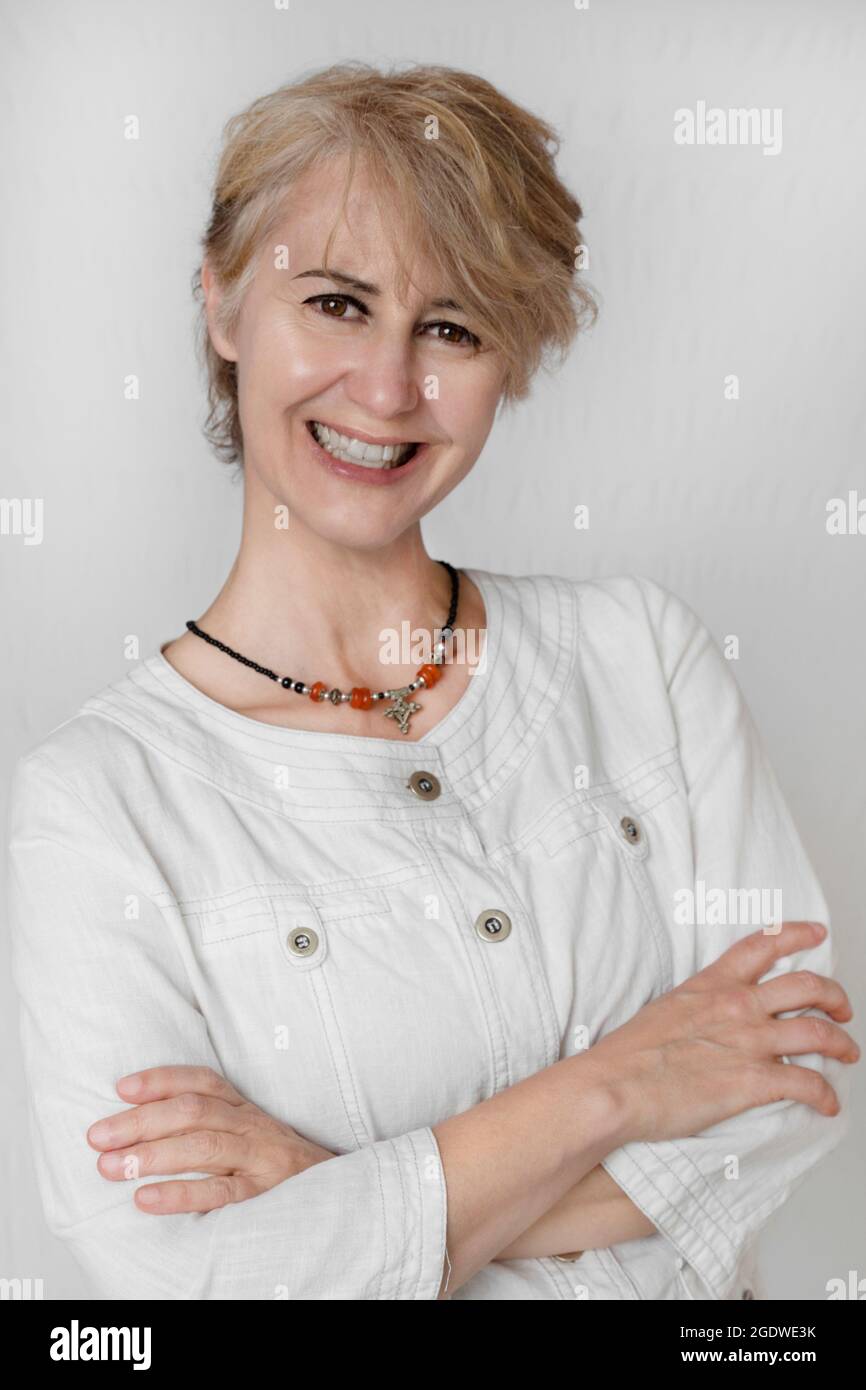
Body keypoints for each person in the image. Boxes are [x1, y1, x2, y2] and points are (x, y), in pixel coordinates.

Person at [6, 62, 857, 1302]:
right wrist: (616, 1084)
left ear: (510, 357)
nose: (390, 389)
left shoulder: (645, 660)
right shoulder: (95, 804)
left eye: (450, 328)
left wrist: (334, 1183)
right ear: (224, 304)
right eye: (338, 304)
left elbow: (796, 1092)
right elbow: (188, 1288)